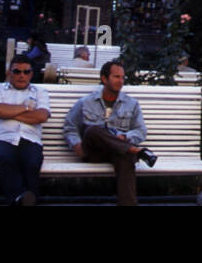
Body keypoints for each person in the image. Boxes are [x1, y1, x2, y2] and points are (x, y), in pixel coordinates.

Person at [63, 61, 155, 206]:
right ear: (104, 79)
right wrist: (76, 144)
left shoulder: (131, 104)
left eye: (122, 77)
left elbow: (140, 130)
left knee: (125, 156)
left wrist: (125, 137)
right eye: (116, 77)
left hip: (118, 153)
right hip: (93, 152)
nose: (121, 81)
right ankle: (135, 150)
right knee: (93, 130)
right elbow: (70, 127)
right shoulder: (86, 102)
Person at [0, 55, 51, 205]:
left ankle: (20, 199)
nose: (22, 75)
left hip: (30, 139)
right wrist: (26, 108)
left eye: (26, 72)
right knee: (4, 158)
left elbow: (41, 116)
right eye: (17, 71)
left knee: (32, 162)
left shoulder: (40, 92)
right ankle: (24, 198)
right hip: (2, 139)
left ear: (31, 74)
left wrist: (9, 113)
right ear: (9, 73)